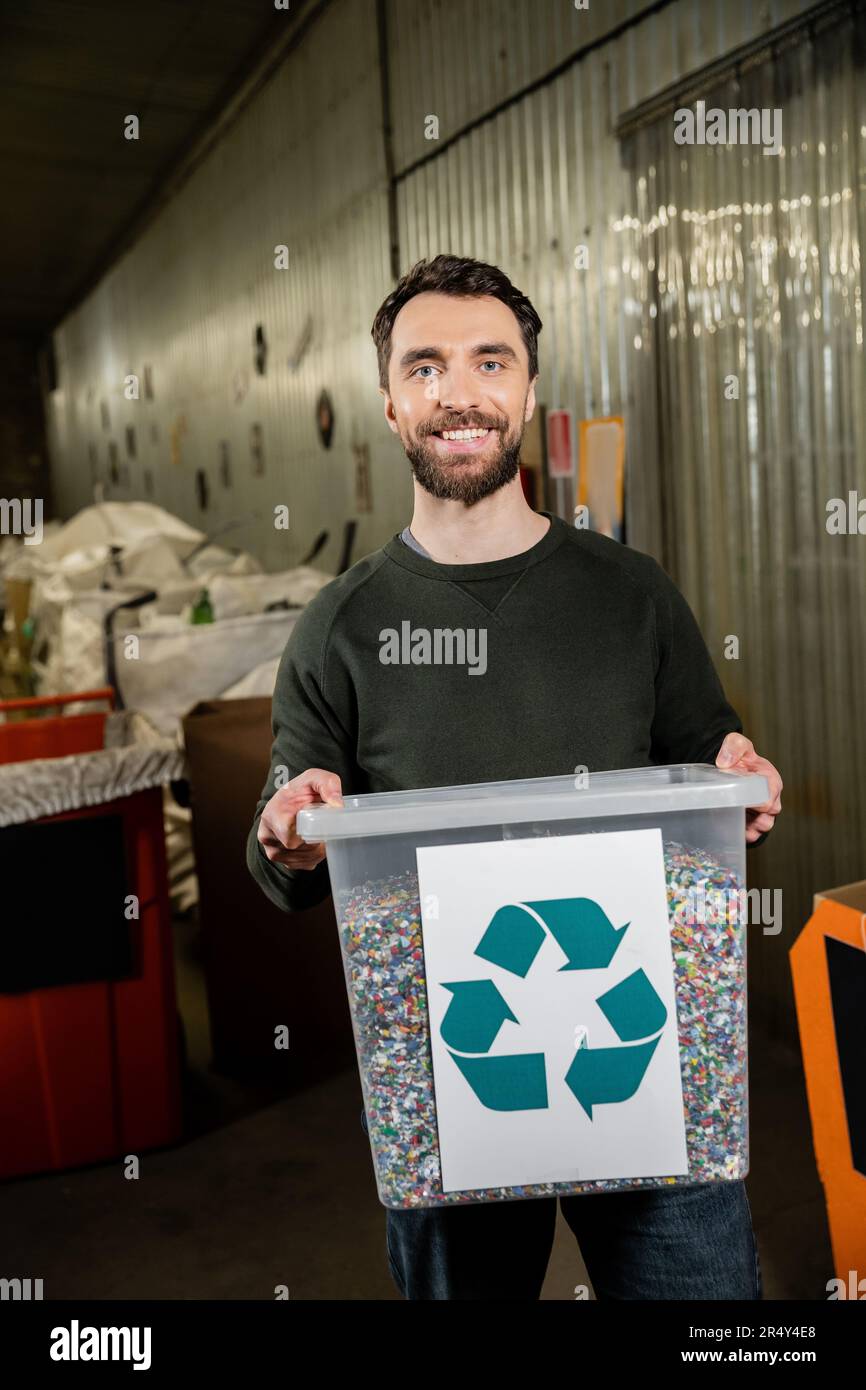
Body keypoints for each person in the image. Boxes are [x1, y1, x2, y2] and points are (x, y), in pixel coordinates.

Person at [247, 253, 783, 1300]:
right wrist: (283, 823)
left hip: (640, 1055)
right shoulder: (339, 629)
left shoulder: (629, 595)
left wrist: (737, 771)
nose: (459, 393)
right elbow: (288, 846)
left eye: (490, 362)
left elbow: (709, 758)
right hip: (443, 1084)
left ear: (528, 392)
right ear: (391, 401)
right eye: (426, 366)